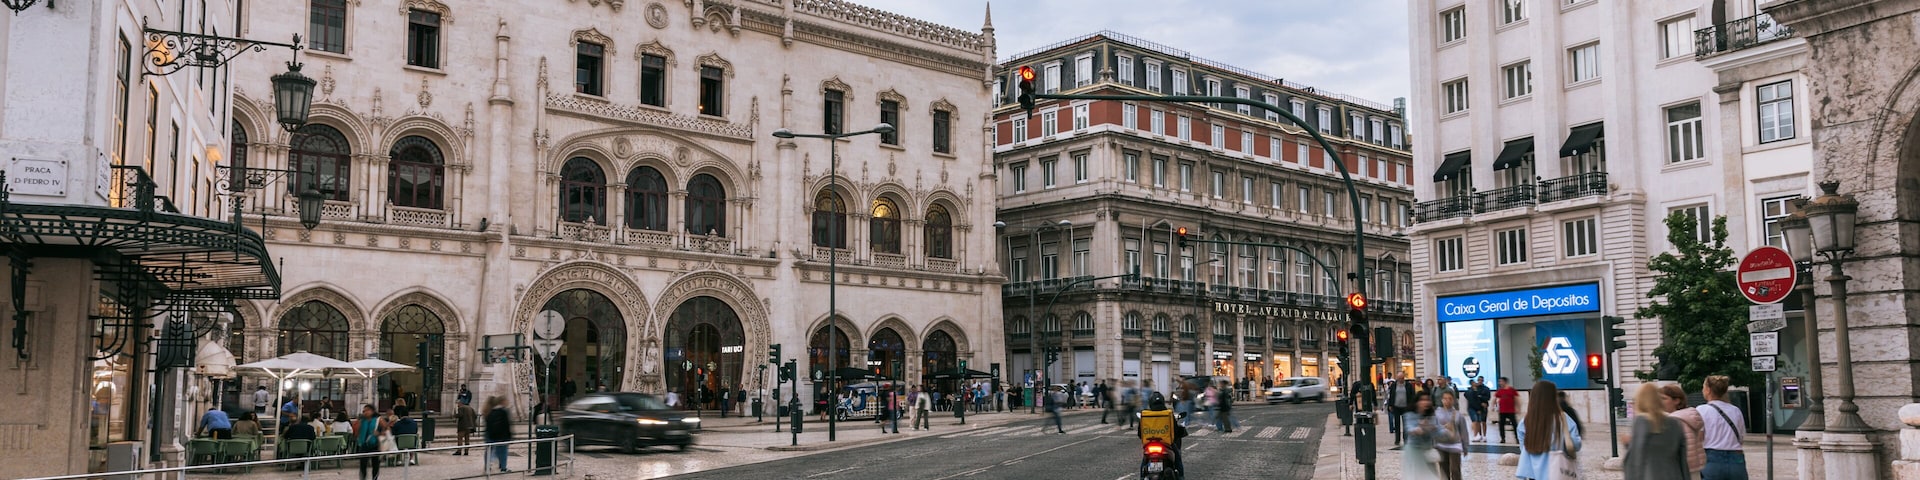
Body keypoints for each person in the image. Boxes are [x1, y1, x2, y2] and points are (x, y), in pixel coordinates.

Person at [1516, 381, 1581, 480]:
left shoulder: (1524, 422)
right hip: (1558, 472)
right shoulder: (1562, 419)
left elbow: (1523, 449)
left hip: (1532, 474)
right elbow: (1575, 445)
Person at [1622, 383, 1688, 479]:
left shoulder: (1642, 421)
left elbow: (1636, 458)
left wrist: (1629, 444)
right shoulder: (1675, 423)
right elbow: (1682, 459)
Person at [1699, 375, 1748, 480]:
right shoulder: (1736, 410)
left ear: (1707, 390)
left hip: (1712, 457)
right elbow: (1741, 437)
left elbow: (1699, 437)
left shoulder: (1701, 410)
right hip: (1736, 457)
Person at [1661, 383, 1707, 478]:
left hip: (1681, 469)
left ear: (1677, 400)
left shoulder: (1675, 421)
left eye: (1664, 398)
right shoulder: (1689, 416)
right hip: (1694, 467)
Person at [1137, 392, 1188, 476]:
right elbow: (1175, 430)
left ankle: (1142, 477)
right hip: (1166, 443)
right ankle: (1181, 476)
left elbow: (1140, 433)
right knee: (1177, 457)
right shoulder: (1168, 414)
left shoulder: (1145, 415)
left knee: (1144, 461)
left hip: (1150, 443)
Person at [1400, 391, 1445, 480]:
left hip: (1427, 451)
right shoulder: (1410, 415)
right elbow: (1410, 429)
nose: (1425, 402)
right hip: (1414, 451)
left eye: (1427, 400)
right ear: (1417, 402)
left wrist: (1439, 429)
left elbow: (1440, 432)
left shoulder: (1432, 416)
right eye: (1422, 400)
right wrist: (1420, 428)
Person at [1434, 391, 1468, 480]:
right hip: (1441, 444)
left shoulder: (1458, 415)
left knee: (1455, 469)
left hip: (1455, 445)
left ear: (1453, 400)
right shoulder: (1437, 413)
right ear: (1442, 400)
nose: (1447, 401)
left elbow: (1463, 431)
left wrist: (1465, 447)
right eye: (1445, 399)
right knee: (1443, 470)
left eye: (1450, 399)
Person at [352, 404, 386, 480]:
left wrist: (379, 433)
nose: (365, 412)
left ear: (372, 411)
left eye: (367, 410)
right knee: (363, 465)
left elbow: (387, 430)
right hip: (363, 445)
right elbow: (356, 433)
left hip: (375, 445)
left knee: (375, 464)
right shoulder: (361, 421)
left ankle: (374, 478)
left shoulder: (378, 420)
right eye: (364, 411)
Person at [484, 396, 512, 473]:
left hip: (491, 434)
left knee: (489, 450)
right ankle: (503, 467)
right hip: (502, 435)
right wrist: (509, 435)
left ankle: (487, 466)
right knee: (503, 451)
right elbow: (506, 424)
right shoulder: (503, 411)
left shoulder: (490, 411)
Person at [1388, 374, 1418, 444]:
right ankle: (1397, 439)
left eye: (1402, 378)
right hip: (1396, 407)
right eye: (1399, 378)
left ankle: (1406, 439)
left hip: (1406, 407)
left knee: (1406, 424)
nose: (1401, 380)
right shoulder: (1394, 385)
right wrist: (1390, 405)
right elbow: (1391, 395)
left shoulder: (1408, 385)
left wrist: (1412, 405)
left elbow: (1412, 395)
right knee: (1397, 424)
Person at [1465, 377, 1491, 443]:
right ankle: (1479, 435)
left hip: (1483, 406)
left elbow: (1487, 397)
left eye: (1481, 380)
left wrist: (1481, 398)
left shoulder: (1486, 389)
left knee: (1483, 421)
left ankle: (1484, 435)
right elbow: (1472, 397)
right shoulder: (1473, 389)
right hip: (1477, 406)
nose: (1480, 382)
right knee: (1478, 421)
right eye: (1478, 380)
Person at [1494, 377, 1520, 443]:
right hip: (1502, 411)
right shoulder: (1500, 390)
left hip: (1511, 410)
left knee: (1514, 425)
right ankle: (1503, 438)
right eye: (1499, 382)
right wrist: (1493, 406)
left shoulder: (1511, 390)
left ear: (1505, 382)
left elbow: (1516, 399)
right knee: (1501, 425)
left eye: (1501, 381)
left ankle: (1517, 438)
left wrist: (1518, 408)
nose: (1500, 383)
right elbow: (1495, 398)